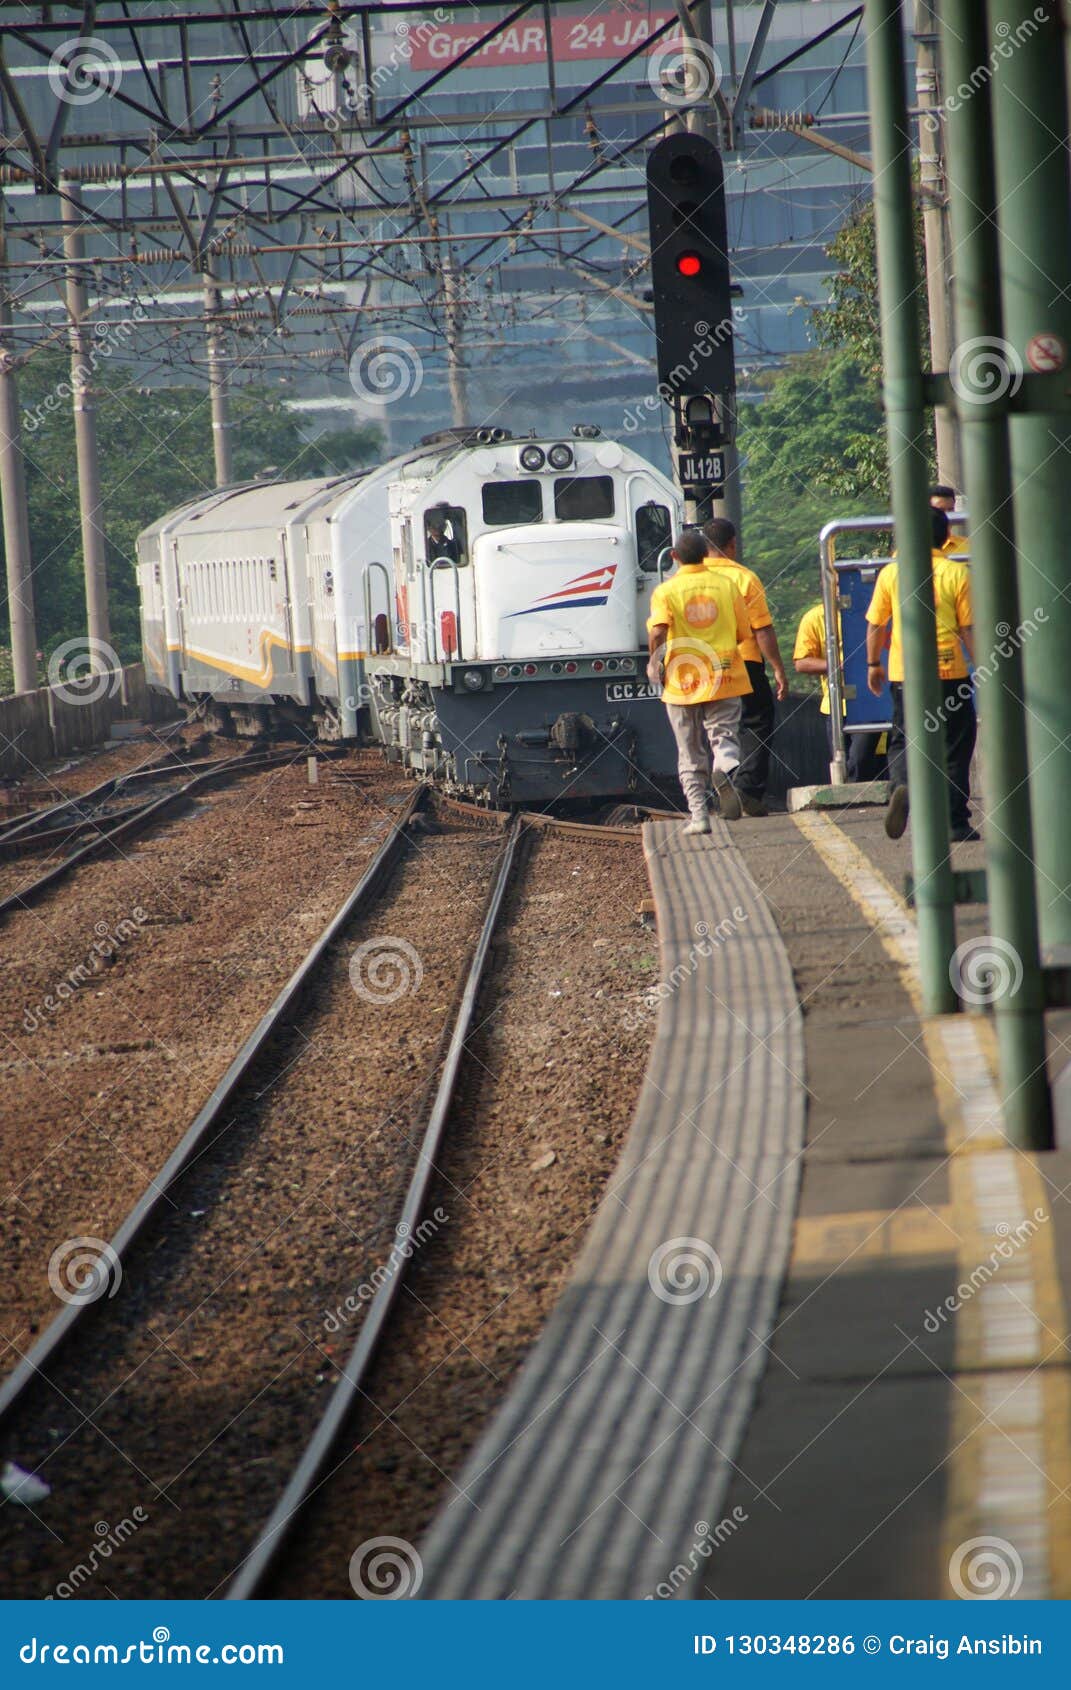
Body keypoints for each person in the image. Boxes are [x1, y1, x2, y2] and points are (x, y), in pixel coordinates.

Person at [865, 506, 977, 841]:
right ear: (946, 539)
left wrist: (873, 664)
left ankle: (903, 786)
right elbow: (969, 629)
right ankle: (954, 822)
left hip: (906, 673)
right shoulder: (957, 574)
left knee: (902, 738)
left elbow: (875, 624)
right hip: (950, 673)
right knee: (955, 744)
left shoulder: (891, 573)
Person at [647, 530, 753, 834]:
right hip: (725, 675)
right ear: (706, 554)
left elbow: (657, 632)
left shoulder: (666, 591)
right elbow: (743, 634)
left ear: (674, 557)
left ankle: (699, 817)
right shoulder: (727, 585)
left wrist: (655, 661)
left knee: (690, 750)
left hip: (683, 679)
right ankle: (724, 768)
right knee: (724, 738)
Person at [701, 517, 789, 817]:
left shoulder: (686, 580)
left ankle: (721, 779)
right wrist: (778, 667)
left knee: (715, 724)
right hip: (743, 660)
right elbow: (762, 629)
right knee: (757, 721)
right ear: (732, 545)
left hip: (700, 664)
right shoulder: (744, 578)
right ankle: (746, 789)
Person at [792, 600, 885, 781]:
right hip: (835, 706)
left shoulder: (874, 614)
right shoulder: (815, 617)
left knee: (860, 760)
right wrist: (840, 665)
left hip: (871, 701)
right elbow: (802, 662)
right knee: (844, 764)